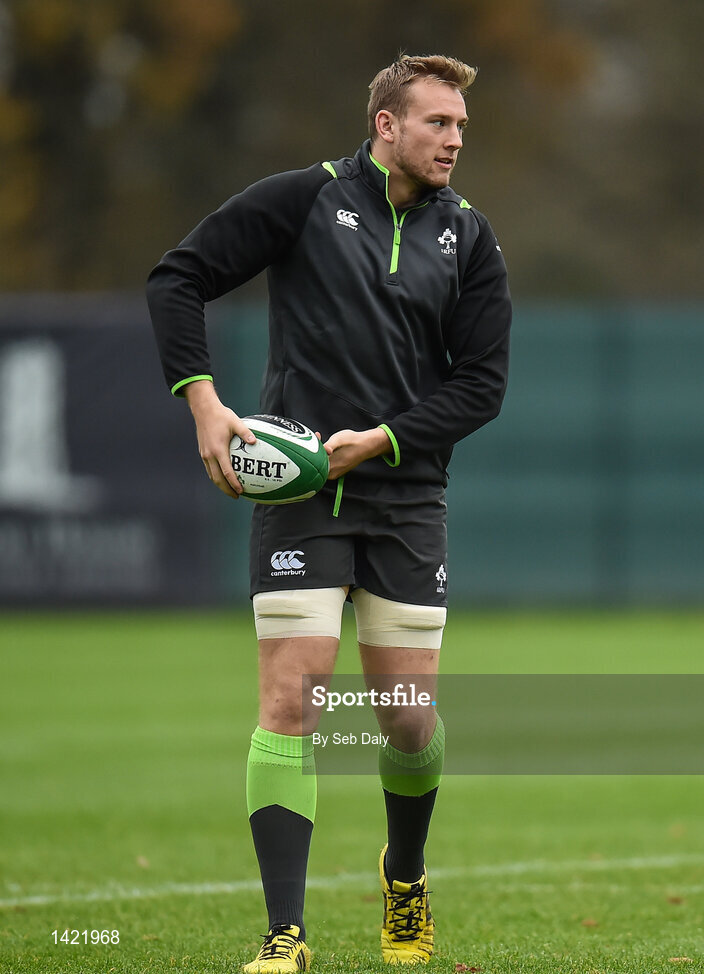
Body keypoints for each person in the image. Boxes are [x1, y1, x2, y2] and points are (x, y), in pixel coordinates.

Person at [147, 53, 511, 971]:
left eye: (462, 126)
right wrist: (204, 402)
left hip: (406, 498)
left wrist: (382, 440)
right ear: (387, 125)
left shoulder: (470, 238)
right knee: (291, 698)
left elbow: (482, 387)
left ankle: (406, 876)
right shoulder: (302, 199)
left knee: (407, 721)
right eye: (438, 123)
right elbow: (177, 278)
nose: (455, 139)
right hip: (301, 498)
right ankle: (285, 933)